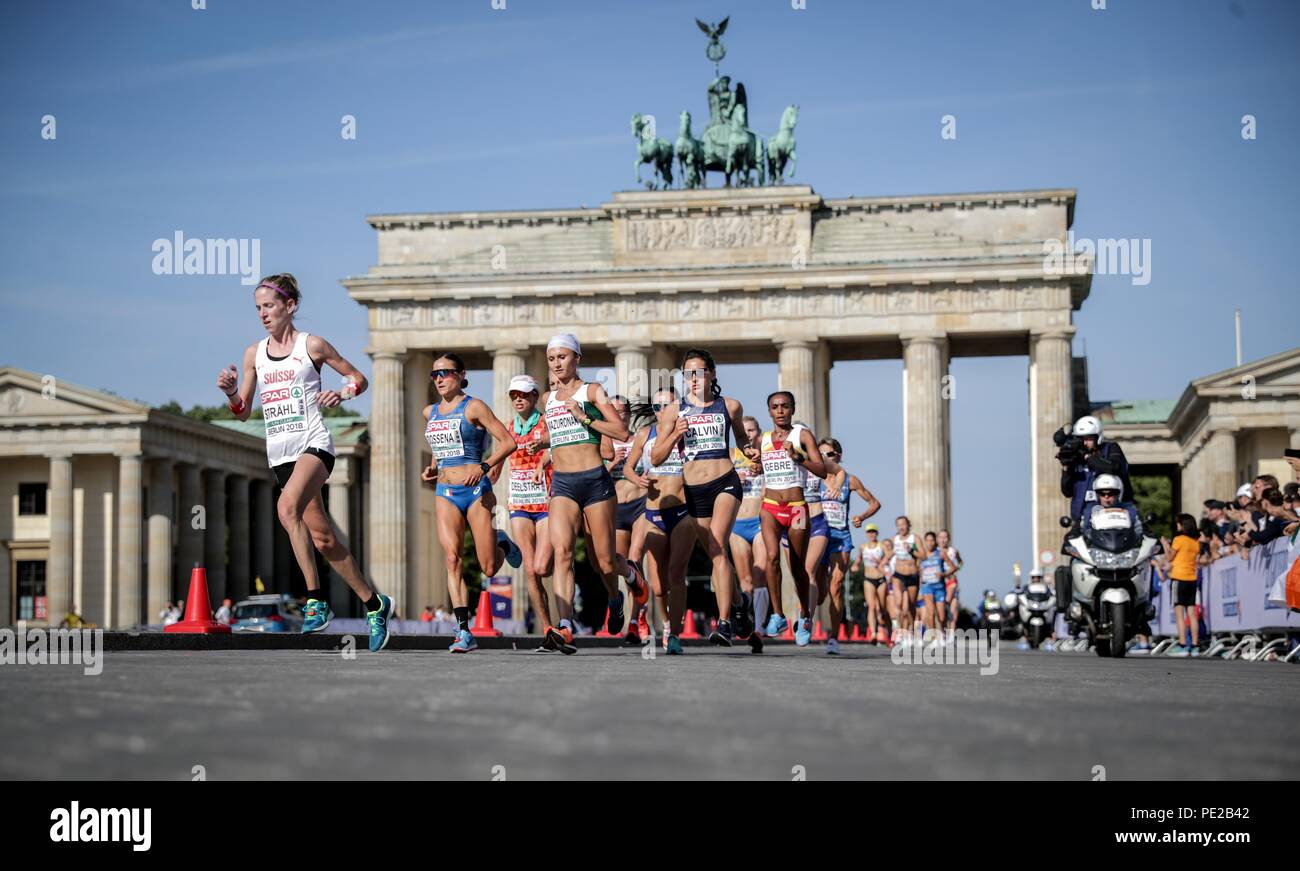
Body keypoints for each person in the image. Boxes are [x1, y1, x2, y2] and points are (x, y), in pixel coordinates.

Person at [217, 273, 394, 651]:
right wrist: (232, 391)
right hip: (280, 453)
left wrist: (342, 393)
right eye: (258, 308)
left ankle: (315, 601)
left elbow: (358, 378)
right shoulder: (254, 354)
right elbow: (243, 412)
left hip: (314, 444)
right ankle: (376, 604)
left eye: (269, 306)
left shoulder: (311, 345)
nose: (263, 314)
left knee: (285, 508)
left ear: (290, 306)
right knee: (325, 539)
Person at [541, 333, 647, 650]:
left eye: (562, 357)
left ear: (577, 359)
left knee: (604, 562)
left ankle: (625, 585)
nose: (557, 363)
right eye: (551, 358)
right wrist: (543, 446)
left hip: (594, 481)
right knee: (562, 553)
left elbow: (620, 431)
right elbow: (561, 435)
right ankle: (564, 625)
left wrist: (585, 416)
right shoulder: (547, 399)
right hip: (562, 483)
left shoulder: (592, 391)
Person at [421, 352, 523, 654]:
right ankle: (463, 631)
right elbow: (437, 447)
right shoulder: (430, 412)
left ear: (461, 374)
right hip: (446, 492)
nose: (439, 379)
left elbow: (508, 442)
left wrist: (483, 465)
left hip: (477, 489)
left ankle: (502, 543)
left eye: (446, 373)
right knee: (451, 559)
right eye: (435, 374)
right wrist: (433, 467)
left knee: (489, 568)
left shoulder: (474, 406)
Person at [648, 349, 751, 646]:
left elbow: (742, 440)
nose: (693, 379)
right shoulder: (673, 412)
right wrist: (672, 435)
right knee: (716, 556)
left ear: (712, 374)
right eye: (688, 374)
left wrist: (749, 453)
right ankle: (739, 602)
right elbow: (655, 457)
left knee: (718, 545)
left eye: (699, 372)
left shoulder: (729, 406)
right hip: (694, 491)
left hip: (725, 482)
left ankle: (724, 623)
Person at [623, 387, 707, 655]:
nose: (662, 412)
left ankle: (675, 635)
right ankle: (667, 624)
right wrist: (637, 478)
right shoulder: (645, 434)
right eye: (657, 407)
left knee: (676, 573)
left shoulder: (688, 431)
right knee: (658, 585)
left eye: (668, 405)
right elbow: (628, 466)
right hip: (653, 511)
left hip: (683, 509)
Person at [504, 374, 572, 654]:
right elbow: (498, 458)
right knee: (531, 571)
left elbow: (560, 448)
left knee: (543, 566)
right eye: (514, 396)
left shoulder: (548, 423)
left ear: (535, 397)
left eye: (523, 394)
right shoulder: (507, 429)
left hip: (546, 504)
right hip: (519, 504)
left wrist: (543, 461)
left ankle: (566, 617)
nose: (518, 399)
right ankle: (548, 630)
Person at [753, 391, 826, 646]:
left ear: (793, 409)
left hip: (796, 507)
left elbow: (823, 470)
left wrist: (799, 457)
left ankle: (805, 615)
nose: (780, 410)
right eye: (775, 407)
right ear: (770, 411)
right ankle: (778, 614)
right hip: (771, 507)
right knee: (772, 558)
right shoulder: (762, 439)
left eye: (785, 406)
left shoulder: (802, 435)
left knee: (797, 566)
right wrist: (756, 466)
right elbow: (760, 466)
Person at [815, 437, 880, 654]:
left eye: (830, 454)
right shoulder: (814, 478)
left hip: (841, 536)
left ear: (839, 456)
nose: (825, 458)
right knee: (820, 591)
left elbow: (874, 503)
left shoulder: (850, 480)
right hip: (819, 536)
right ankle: (806, 617)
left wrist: (861, 517)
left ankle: (833, 638)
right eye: (821, 454)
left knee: (836, 585)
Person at [605, 394, 650, 644]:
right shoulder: (602, 445)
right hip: (615, 509)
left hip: (640, 504)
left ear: (629, 415)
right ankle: (624, 606)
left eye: (623, 411)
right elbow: (594, 476)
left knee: (636, 558)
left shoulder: (638, 440)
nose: (618, 414)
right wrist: (612, 464)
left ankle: (635, 621)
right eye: (613, 410)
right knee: (619, 566)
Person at [730, 416, 770, 637]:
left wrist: (763, 471)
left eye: (752, 430)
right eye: (744, 431)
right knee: (744, 579)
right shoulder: (731, 455)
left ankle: (759, 629)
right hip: (737, 524)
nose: (748, 434)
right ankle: (747, 616)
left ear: (759, 432)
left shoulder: (767, 456)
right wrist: (734, 475)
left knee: (760, 574)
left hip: (760, 522)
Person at [1057, 415, 1131, 523]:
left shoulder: (1111, 448)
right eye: (1081, 439)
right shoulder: (1076, 457)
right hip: (1082, 519)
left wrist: (1087, 457)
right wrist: (1066, 468)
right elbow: (1067, 492)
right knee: (1069, 539)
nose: (1084, 443)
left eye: (1088, 439)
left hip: (1113, 516)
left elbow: (1114, 468)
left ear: (1098, 437)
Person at [1161, 513, 1201, 657]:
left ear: (1182, 525)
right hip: (1192, 578)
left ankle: (1183, 644)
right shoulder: (1195, 542)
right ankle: (1195, 646)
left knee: (1179, 614)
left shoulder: (1179, 539)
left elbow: (1170, 557)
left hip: (1179, 578)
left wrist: (1166, 544)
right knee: (1192, 613)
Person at [857, 524, 893, 645]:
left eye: (873, 532)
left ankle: (889, 632)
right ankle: (873, 633)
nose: (871, 534)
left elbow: (891, 553)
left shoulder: (881, 546)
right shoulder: (863, 547)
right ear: (866, 534)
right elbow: (858, 559)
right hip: (868, 579)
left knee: (881, 608)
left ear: (877, 533)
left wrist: (882, 562)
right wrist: (855, 565)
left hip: (881, 579)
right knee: (871, 607)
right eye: (869, 532)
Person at [889, 515, 921, 644]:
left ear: (908, 525)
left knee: (910, 606)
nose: (901, 527)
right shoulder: (894, 539)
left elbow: (923, 555)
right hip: (898, 575)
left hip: (912, 575)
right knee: (899, 604)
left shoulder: (915, 539)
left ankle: (911, 630)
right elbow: (888, 553)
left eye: (904, 524)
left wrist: (912, 550)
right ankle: (900, 632)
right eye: (899, 525)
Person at [937, 529, 963, 636]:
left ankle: (951, 635)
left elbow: (960, 563)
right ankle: (943, 632)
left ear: (949, 539)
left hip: (951, 581)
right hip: (939, 583)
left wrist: (955, 569)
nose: (943, 540)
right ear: (937, 539)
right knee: (943, 608)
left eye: (945, 537)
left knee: (953, 609)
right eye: (941, 537)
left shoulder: (953, 551)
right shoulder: (935, 551)